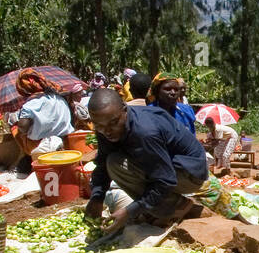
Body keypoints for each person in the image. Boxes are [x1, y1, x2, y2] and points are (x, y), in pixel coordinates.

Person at [85, 88, 209, 230]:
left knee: (116, 165)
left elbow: (165, 180)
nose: (106, 131)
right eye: (99, 126)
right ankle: (158, 205)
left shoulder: (145, 132)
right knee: (111, 161)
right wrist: (97, 197)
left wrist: (129, 211)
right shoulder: (107, 127)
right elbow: (102, 164)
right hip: (168, 166)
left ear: (124, 110)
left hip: (190, 173)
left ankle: (176, 205)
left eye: (113, 123)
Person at [147, 72, 197, 136]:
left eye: (176, 89)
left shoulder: (186, 111)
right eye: (167, 89)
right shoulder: (149, 113)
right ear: (157, 91)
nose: (173, 93)